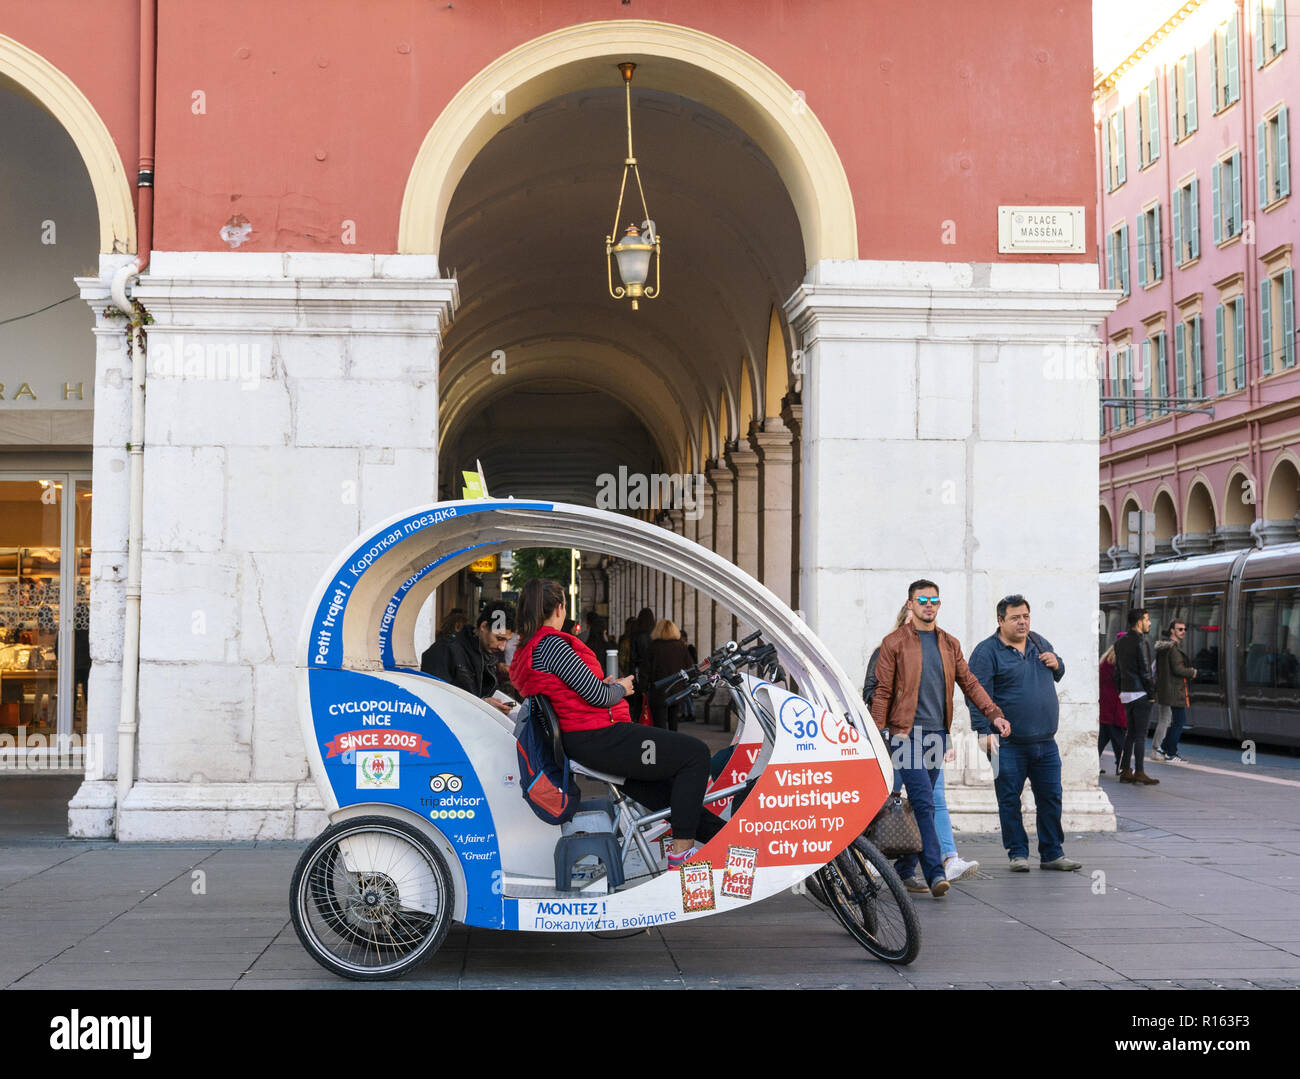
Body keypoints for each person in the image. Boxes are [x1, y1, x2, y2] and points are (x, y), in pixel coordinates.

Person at [509, 579, 723, 868]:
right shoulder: (552, 645)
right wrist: (621, 687)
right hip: (600, 737)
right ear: (559, 608)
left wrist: (604, 688)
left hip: (585, 740)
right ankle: (681, 855)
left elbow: (574, 692)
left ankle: (730, 842)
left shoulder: (529, 649)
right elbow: (598, 696)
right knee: (694, 754)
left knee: (668, 791)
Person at [870, 579, 1008, 898]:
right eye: (922, 600)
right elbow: (882, 692)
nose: (928, 605)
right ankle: (935, 873)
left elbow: (970, 683)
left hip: (935, 735)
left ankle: (904, 869)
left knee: (923, 805)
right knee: (923, 801)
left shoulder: (950, 644)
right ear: (910, 605)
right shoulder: (894, 643)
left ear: (939, 604)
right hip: (904, 735)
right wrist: (879, 733)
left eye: (933, 600)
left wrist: (993, 713)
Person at [865, 604, 980, 884]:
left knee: (928, 802)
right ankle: (871, 858)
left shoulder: (936, 653)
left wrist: (947, 739)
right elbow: (871, 691)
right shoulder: (884, 651)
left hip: (931, 738)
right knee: (885, 800)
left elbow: (939, 701)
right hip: (898, 738)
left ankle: (912, 868)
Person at [967, 595, 1081, 872]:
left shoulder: (1039, 642)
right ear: (1001, 620)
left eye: (1026, 616)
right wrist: (983, 731)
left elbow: (1058, 671)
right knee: (1009, 799)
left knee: (1051, 798)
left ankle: (1052, 853)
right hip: (1007, 744)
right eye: (1016, 617)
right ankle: (1017, 853)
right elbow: (976, 694)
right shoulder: (986, 652)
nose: (1022, 622)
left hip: (1046, 741)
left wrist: (1058, 663)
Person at [421, 601, 516, 716]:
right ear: (484, 626)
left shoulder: (487, 656)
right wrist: (483, 705)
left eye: (507, 640)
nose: (502, 647)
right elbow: (433, 701)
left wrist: (491, 705)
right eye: (499, 638)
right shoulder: (445, 650)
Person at [1113, 607, 1158, 784]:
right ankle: (1139, 771)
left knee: (1130, 733)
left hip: (1126, 693)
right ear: (1139, 622)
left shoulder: (1119, 642)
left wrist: (1120, 691)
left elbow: (1117, 672)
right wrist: (1152, 693)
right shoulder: (1141, 642)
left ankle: (1125, 769)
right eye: (1147, 619)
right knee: (1140, 735)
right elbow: (1145, 671)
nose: (1149, 623)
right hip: (1140, 693)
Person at [1153, 619, 1196, 763]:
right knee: (1179, 721)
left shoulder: (1164, 648)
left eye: (1184, 629)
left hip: (1167, 689)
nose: (1183, 632)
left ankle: (1163, 749)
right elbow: (1178, 669)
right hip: (1175, 690)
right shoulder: (1173, 649)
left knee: (1174, 720)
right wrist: (1192, 672)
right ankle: (1169, 752)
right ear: (1172, 630)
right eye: (1179, 629)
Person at [647, 618, 693, 731]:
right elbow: (689, 666)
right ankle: (674, 743)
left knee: (659, 722)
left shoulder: (653, 647)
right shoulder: (681, 646)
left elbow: (646, 669)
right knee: (674, 720)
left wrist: (644, 687)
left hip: (658, 689)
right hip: (676, 688)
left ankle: (661, 745)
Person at [1098, 643, 1126, 774]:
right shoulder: (1118, 664)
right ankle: (1122, 766)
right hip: (1115, 706)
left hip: (1104, 705)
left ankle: (1093, 764)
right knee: (1118, 738)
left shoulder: (1104, 662)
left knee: (1102, 738)